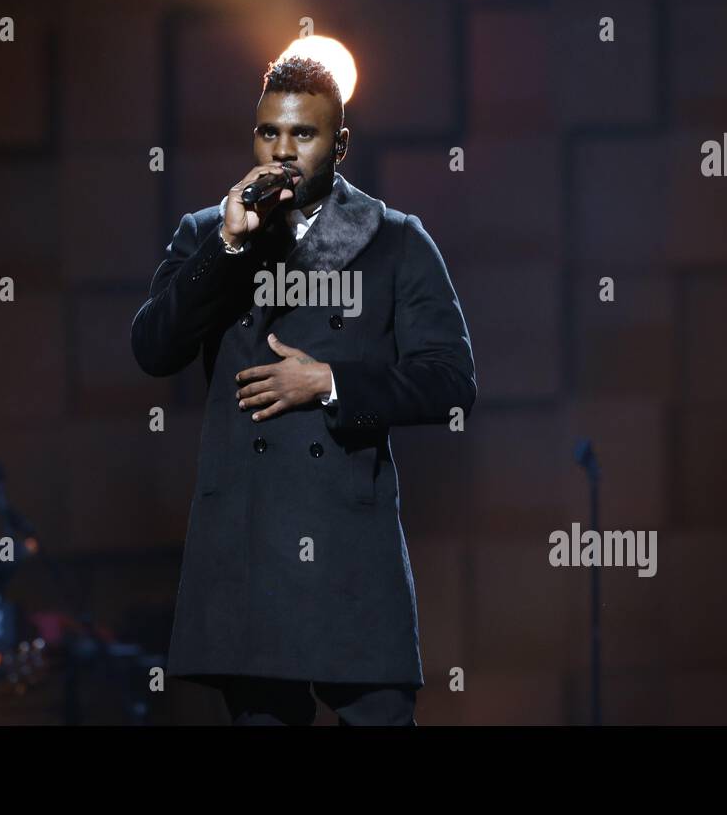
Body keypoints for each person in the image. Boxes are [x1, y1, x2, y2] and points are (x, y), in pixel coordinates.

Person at [131, 55, 477, 725]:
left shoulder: (395, 240)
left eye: (304, 136)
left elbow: (452, 383)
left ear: (340, 145)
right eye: (269, 134)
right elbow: (153, 350)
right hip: (250, 547)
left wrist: (331, 382)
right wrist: (229, 248)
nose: (283, 151)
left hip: (351, 550)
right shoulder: (210, 233)